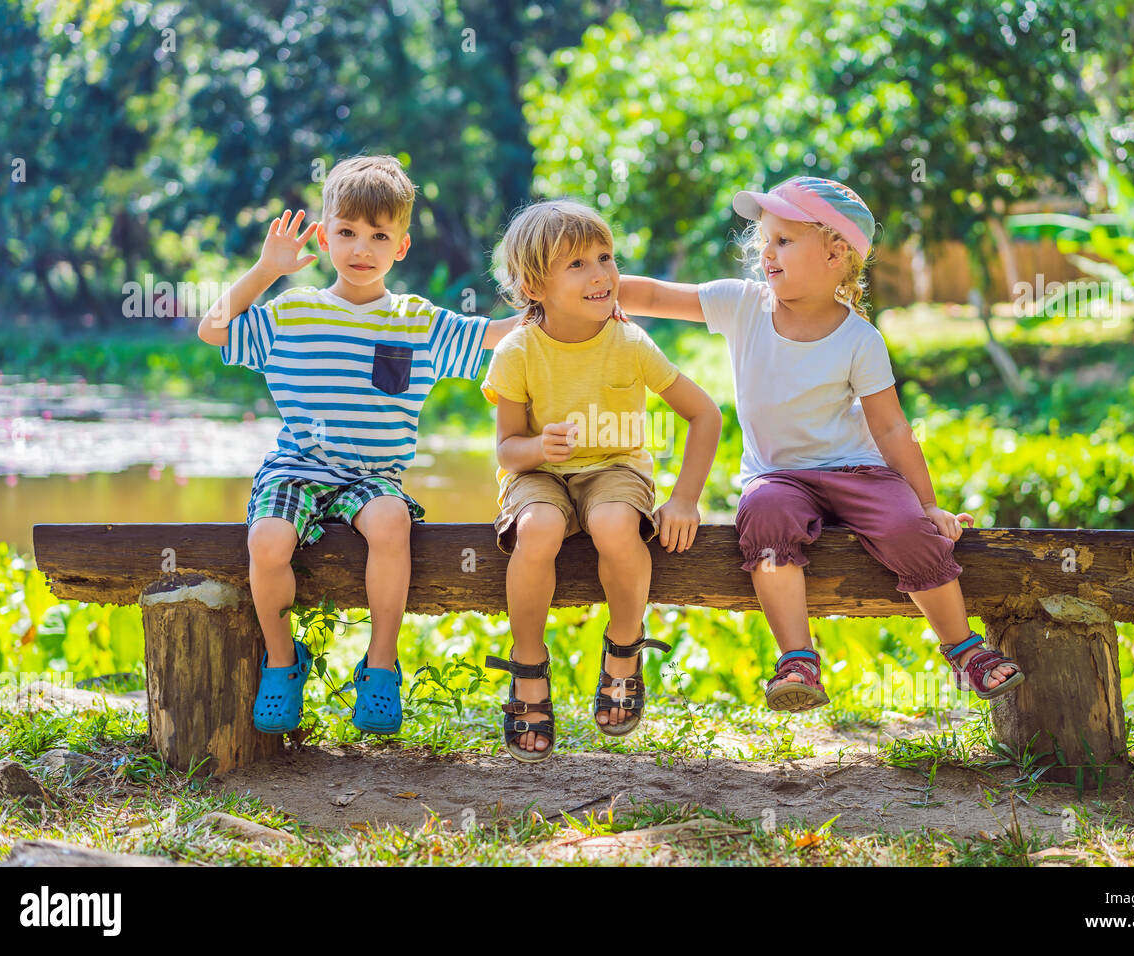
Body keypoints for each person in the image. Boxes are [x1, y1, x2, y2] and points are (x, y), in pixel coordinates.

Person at [617, 176, 1023, 711]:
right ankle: (798, 660)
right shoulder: (743, 306)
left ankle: (963, 647)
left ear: (835, 254)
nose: (766, 252)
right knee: (762, 514)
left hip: (858, 471)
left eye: (783, 240)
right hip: (778, 477)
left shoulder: (859, 338)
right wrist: (586, 285)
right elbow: (650, 295)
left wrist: (927, 504)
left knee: (907, 528)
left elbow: (893, 429)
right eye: (764, 239)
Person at [197, 155, 527, 737]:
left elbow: (492, 336)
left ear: (400, 246)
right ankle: (282, 659)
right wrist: (265, 270)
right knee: (268, 539)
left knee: (392, 521)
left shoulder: (414, 322)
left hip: (375, 475)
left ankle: (379, 665)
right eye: (346, 233)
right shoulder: (294, 311)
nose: (361, 248)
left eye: (378, 235)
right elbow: (214, 328)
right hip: (298, 466)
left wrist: (557, 304)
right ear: (324, 237)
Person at [480, 199, 722, 761]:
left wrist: (685, 499)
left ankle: (623, 647)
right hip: (539, 475)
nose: (601, 274)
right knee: (537, 528)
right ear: (534, 286)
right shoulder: (517, 350)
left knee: (616, 525)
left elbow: (704, 413)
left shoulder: (630, 342)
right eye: (578, 264)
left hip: (615, 471)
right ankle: (528, 667)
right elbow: (508, 449)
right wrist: (540, 446)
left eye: (605, 257)